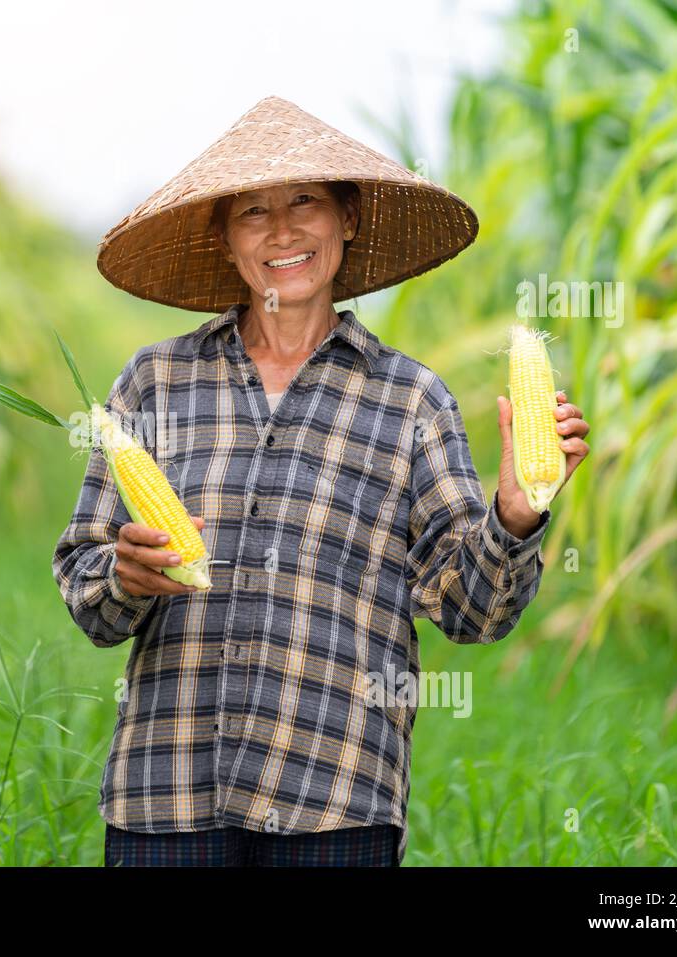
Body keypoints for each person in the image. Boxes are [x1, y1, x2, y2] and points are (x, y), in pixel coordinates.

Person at [53, 96, 590, 867]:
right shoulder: (153, 384)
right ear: (225, 240)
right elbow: (88, 592)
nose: (282, 231)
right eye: (252, 211)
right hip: (165, 799)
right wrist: (128, 575)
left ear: (349, 218)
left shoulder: (413, 401)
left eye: (305, 200)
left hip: (338, 804)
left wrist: (512, 512)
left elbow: (474, 615)